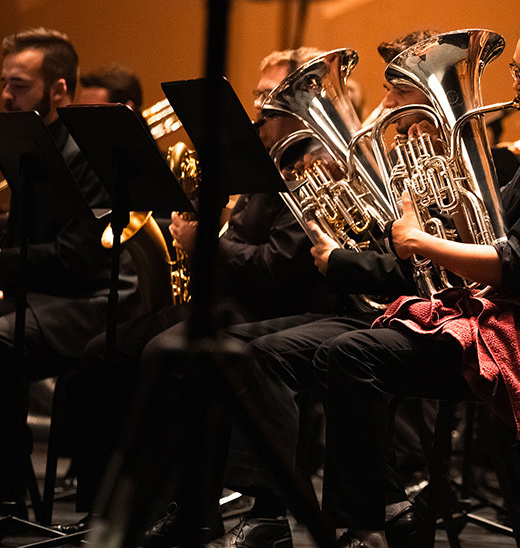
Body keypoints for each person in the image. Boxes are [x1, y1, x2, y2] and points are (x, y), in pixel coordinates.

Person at [316, 7, 520, 548]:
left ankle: (375, 523)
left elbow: (512, 264)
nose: (515, 86)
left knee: (349, 356)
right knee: (349, 348)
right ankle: (388, 511)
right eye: (515, 70)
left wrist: (418, 240)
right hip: (507, 317)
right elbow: (493, 235)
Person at [69, 47, 348, 535]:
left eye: (272, 95)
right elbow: (242, 243)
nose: (259, 107)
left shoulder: (317, 166)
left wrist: (211, 244)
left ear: (305, 99)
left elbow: (281, 264)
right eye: (259, 93)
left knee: (167, 354)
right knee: (104, 351)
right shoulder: (264, 158)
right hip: (233, 300)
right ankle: (112, 505)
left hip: (282, 308)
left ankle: (191, 510)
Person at [203, 32, 438, 548]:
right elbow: (396, 260)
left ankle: (370, 516)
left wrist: (340, 260)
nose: (383, 106)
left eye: (396, 94)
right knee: (257, 351)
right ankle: (282, 512)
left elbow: (419, 270)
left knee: (341, 354)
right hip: (384, 306)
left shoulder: (433, 169)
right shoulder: (395, 164)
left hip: (428, 317)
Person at [0, 28, 139, 504]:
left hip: (88, 303)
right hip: (41, 297)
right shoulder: (30, 141)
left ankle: (8, 493)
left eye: (19, 85)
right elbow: (24, 239)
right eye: (4, 83)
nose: (5, 95)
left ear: (58, 89)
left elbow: (77, 257)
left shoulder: (86, 152)